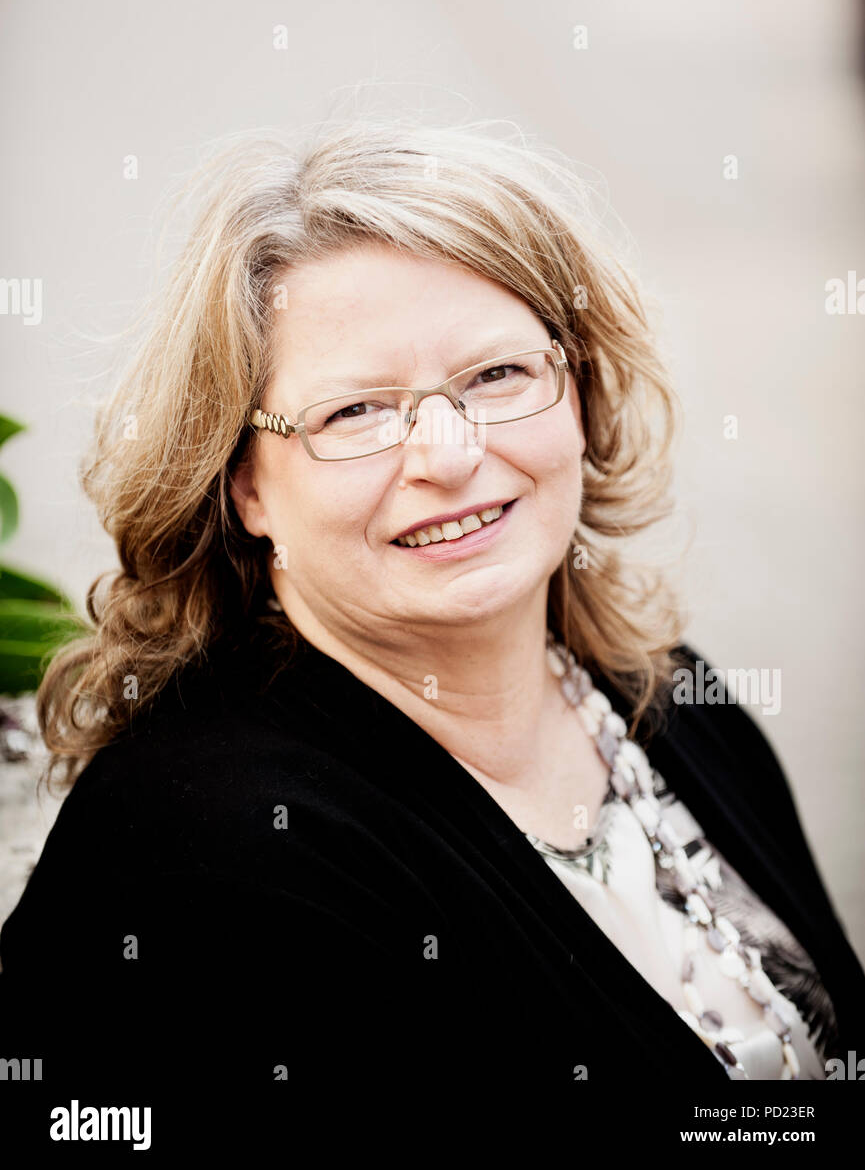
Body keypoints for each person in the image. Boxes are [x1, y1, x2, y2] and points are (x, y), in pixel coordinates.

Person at [1, 121, 862, 1141]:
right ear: (243, 484)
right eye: (357, 411)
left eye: (497, 375)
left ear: (578, 392)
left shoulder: (665, 698)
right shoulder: (216, 852)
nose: (448, 455)